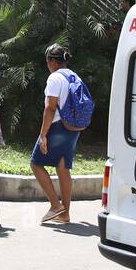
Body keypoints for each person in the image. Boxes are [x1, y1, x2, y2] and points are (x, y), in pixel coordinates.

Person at [30, 44, 85, 224]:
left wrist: (43, 135)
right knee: (62, 168)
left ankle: (55, 205)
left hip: (57, 127)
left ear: (52, 61)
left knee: (36, 164)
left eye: (47, 61)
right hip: (73, 128)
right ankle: (64, 214)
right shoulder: (74, 76)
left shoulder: (55, 78)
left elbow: (50, 108)